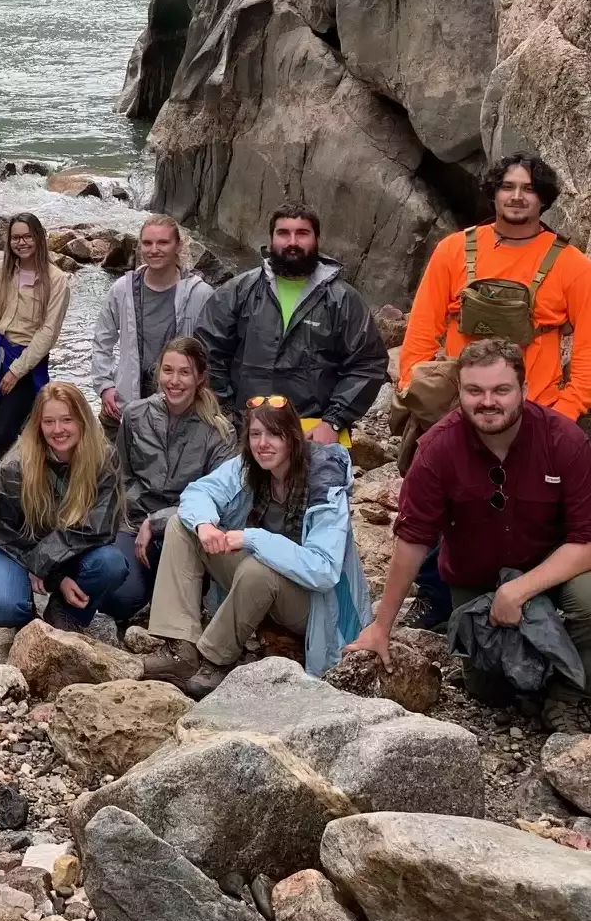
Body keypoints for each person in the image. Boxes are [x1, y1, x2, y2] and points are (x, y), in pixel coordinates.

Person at [348, 339, 591, 731]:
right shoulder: (437, 450)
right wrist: (381, 627)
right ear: (459, 391)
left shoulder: (564, 440)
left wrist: (520, 590)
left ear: (524, 391)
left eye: (501, 390)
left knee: (590, 598)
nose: (487, 402)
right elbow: (412, 540)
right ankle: (526, 677)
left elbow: (587, 541)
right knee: (490, 690)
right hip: (476, 579)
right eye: (474, 391)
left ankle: (567, 696)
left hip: (554, 569)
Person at [143, 396, 372, 696]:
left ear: (292, 437)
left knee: (257, 568)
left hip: (315, 605)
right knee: (182, 526)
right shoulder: (251, 465)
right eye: (255, 434)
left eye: (274, 434)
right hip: (262, 587)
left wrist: (254, 538)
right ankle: (180, 649)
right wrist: (205, 525)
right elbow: (199, 492)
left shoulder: (323, 482)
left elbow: (324, 571)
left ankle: (215, 659)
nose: (263, 443)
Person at [400, 153, 591, 421]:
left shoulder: (572, 263)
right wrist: (415, 389)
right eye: (507, 186)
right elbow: (422, 327)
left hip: (538, 411)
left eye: (529, 189)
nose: (517, 196)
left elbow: (588, 348)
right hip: (459, 409)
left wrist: (566, 411)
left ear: (544, 199)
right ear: (493, 193)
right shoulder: (452, 249)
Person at [196, 203, 387, 443]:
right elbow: (206, 352)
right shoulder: (239, 291)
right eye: (283, 233)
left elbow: (368, 363)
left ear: (317, 238)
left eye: (302, 233)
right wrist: (226, 412)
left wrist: (334, 421)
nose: (292, 242)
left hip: (312, 432)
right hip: (246, 430)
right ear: (271, 239)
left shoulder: (343, 300)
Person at [0, 381, 137, 632]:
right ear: (38, 425)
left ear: (83, 420)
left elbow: (100, 528)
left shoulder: (104, 459)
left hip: (72, 550)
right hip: (15, 548)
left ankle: (65, 612)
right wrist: (47, 572)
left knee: (111, 563)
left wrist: (50, 569)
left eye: (67, 420)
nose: (58, 429)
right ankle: (26, 621)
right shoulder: (15, 467)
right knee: (3, 606)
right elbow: (2, 531)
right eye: (49, 421)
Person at [113, 335, 234, 613]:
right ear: (158, 373)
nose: (174, 381)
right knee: (120, 600)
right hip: (132, 523)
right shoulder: (134, 415)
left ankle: (183, 587)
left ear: (200, 377)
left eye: (184, 372)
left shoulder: (219, 433)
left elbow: (219, 501)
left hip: (185, 529)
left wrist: (156, 522)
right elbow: (119, 477)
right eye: (168, 371)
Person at [91, 215, 215, 436]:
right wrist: (105, 386)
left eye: (163, 243)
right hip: (127, 403)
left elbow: (212, 353)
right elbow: (103, 340)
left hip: (181, 405)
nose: (154, 250)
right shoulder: (122, 289)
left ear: (179, 245)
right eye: (147, 243)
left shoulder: (200, 294)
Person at [0, 212, 71, 460]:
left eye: (28, 236)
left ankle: (10, 489)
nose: (22, 243)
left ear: (40, 238)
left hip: (25, 366)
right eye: (16, 238)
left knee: (4, 432)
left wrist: (16, 371)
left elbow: (47, 333)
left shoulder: (56, 280)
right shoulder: (1, 269)